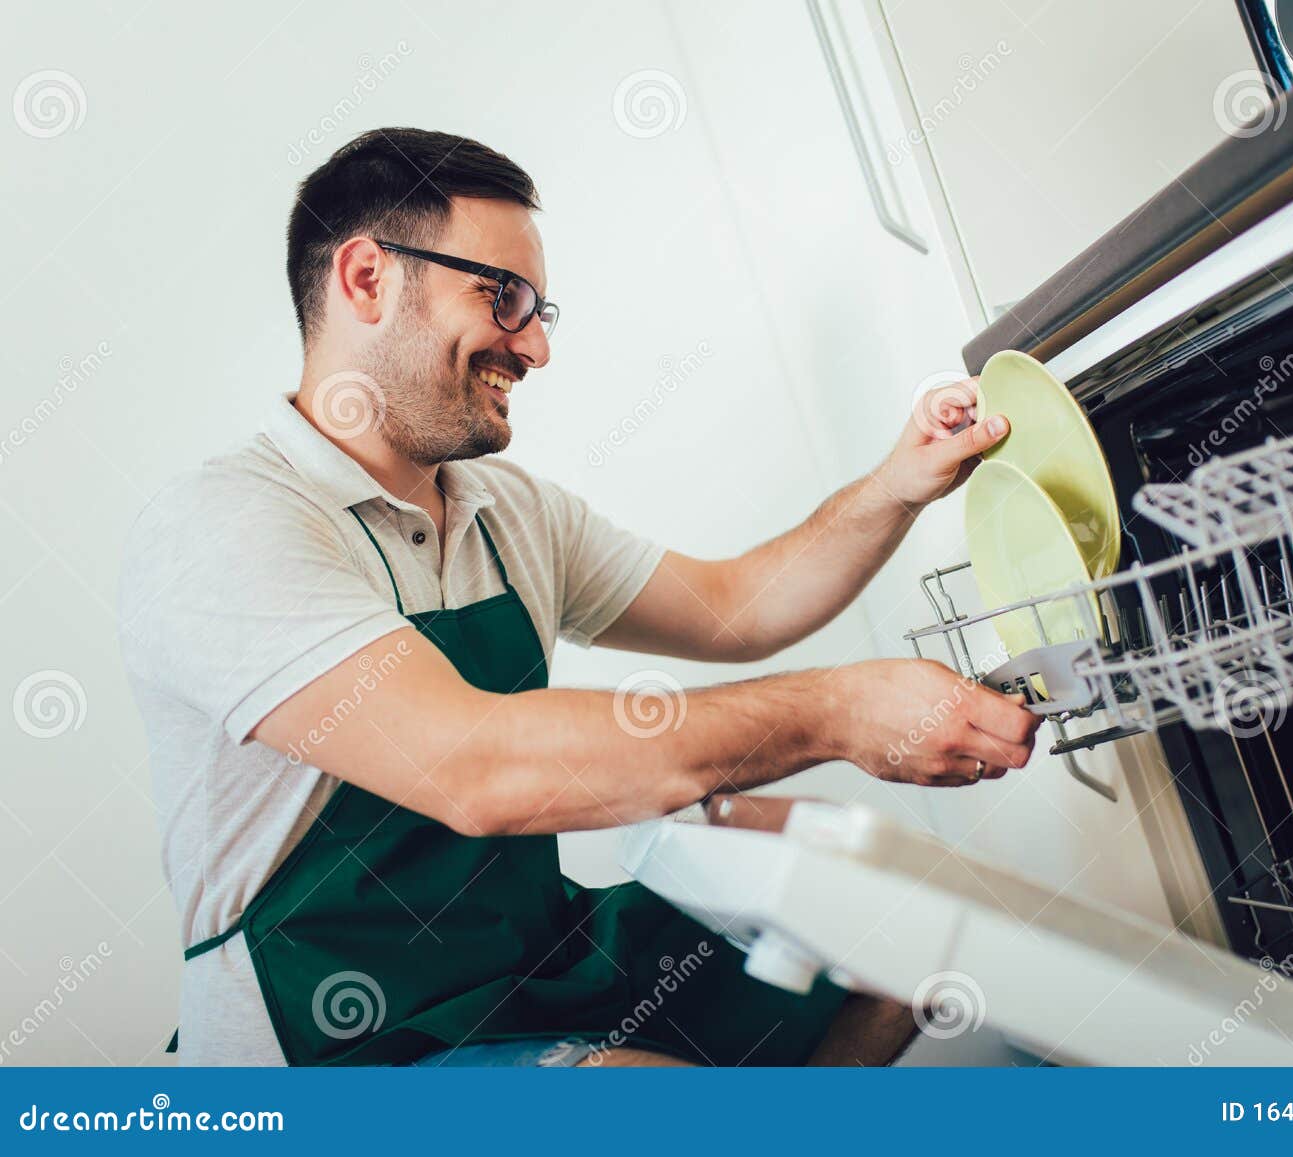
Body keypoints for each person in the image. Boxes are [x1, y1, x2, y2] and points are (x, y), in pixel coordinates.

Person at [118, 127, 1039, 1067]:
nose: (535, 348)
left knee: (896, 941)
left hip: (526, 969)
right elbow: (474, 766)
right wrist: (839, 710)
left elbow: (737, 607)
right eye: (504, 297)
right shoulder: (226, 526)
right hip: (341, 1050)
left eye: (539, 309)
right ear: (366, 279)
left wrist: (895, 484)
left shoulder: (507, 510)